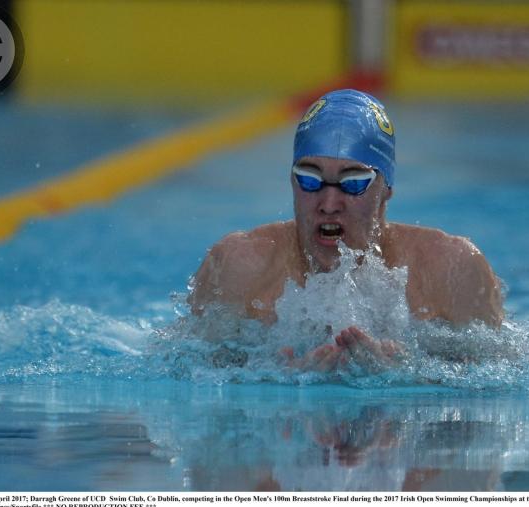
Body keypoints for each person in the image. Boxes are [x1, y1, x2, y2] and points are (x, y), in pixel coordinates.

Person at [188, 89, 502, 371]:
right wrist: (273, 381)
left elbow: (503, 386)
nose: (329, 203)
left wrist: (404, 379)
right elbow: (186, 374)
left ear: (386, 188)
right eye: (310, 179)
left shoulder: (451, 269)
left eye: (353, 183)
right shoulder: (239, 267)